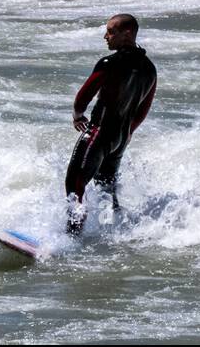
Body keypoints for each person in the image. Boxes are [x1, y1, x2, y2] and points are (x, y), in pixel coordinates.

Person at [65, 14, 156, 235]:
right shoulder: (149, 69)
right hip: (121, 139)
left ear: (127, 33)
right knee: (106, 189)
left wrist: (78, 116)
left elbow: (82, 98)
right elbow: (142, 111)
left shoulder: (109, 63)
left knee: (75, 184)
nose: (106, 37)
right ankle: (114, 234)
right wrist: (125, 133)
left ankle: (72, 238)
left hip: (98, 133)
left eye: (111, 31)